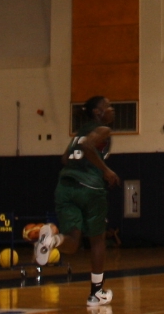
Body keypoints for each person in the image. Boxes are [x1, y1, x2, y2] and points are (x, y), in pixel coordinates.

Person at [34, 96, 119, 307]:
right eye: (107, 106)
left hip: (65, 185)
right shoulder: (103, 129)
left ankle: (52, 241)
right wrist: (106, 170)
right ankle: (96, 293)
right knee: (97, 240)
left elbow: (65, 159)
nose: (112, 109)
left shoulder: (78, 133)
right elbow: (90, 147)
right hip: (89, 187)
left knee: (72, 241)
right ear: (97, 113)